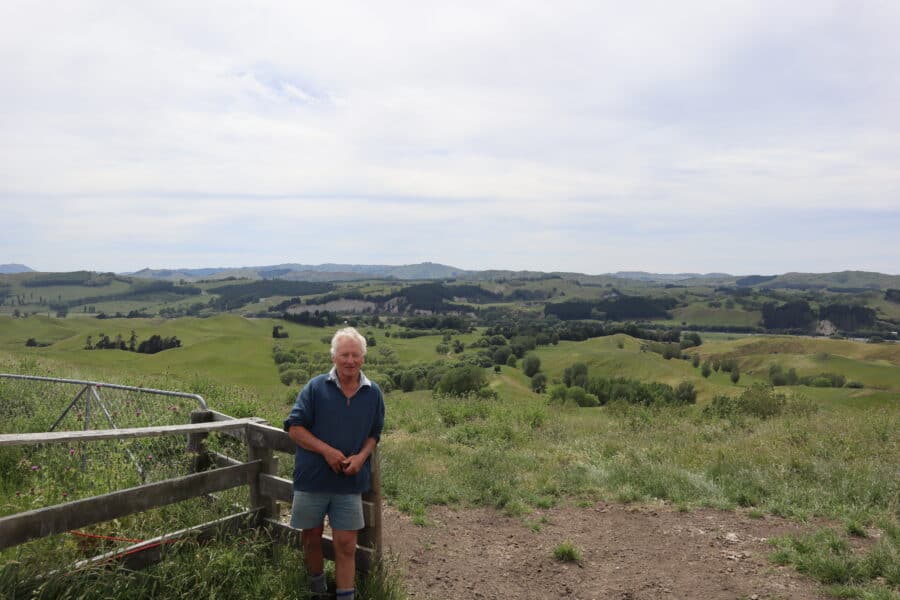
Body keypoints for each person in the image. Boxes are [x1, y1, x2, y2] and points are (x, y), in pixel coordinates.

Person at [284, 327, 385, 600]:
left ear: (363, 358)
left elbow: (374, 433)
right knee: (311, 538)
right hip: (312, 479)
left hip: (349, 482)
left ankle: (345, 596)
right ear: (334, 358)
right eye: (344, 355)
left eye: (355, 355)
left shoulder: (373, 393)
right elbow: (294, 428)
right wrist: (327, 452)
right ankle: (317, 591)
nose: (349, 360)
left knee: (346, 545)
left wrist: (362, 457)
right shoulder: (316, 387)